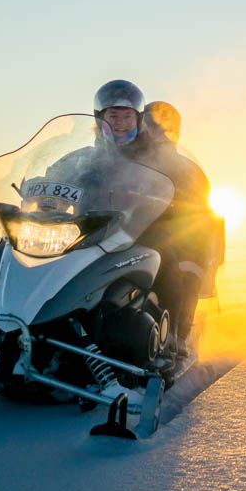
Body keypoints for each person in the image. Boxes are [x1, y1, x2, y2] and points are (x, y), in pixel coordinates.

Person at [91, 81, 221, 353]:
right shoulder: (94, 154)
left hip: (150, 228)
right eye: (113, 116)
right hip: (98, 228)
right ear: (100, 117)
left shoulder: (167, 160)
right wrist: (42, 185)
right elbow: (73, 172)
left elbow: (192, 199)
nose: (121, 123)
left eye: (127, 116)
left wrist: (170, 204)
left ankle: (174, 334)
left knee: (170, 261)